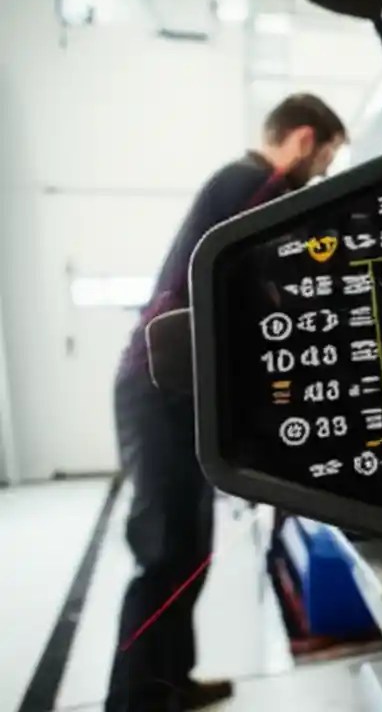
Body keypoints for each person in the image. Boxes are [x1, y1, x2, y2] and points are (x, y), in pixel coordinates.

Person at [106, 93, 347, 712]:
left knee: (188, 548)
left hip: (178, 391)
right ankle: (131, 700)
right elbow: (273, 283)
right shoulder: (255, 181)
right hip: (159, 388)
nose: (321, 173)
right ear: (301, 140)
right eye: (325, 157)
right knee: (163, 551)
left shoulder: (242, 184)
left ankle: (170, 683)